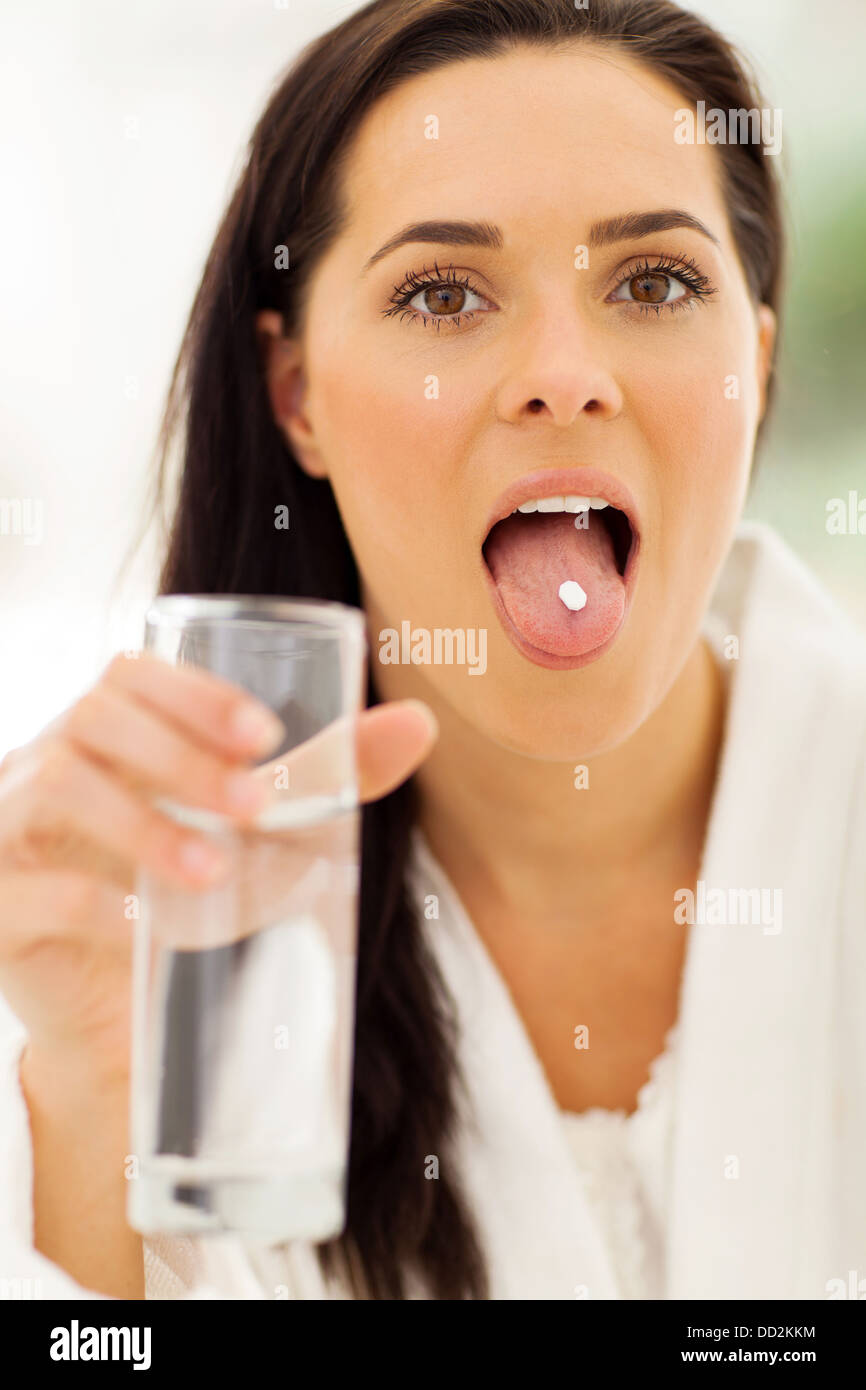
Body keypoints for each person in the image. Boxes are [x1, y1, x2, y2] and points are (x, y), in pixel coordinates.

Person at [1, 0, 864, 1302]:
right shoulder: (120, 924)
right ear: (296, 397)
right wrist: (85, 1117)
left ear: (752, 358)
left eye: (653, 281)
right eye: (442, 292)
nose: (563, 375)